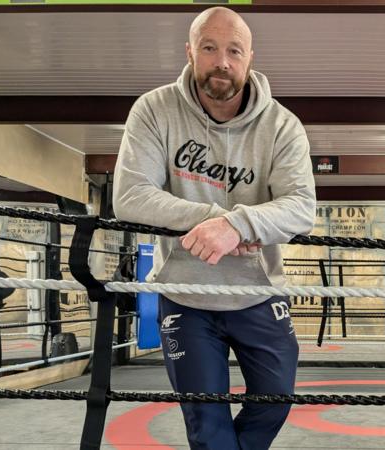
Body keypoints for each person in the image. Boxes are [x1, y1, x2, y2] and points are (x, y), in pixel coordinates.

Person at [113, 7, 315, 450]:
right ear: (189, 52)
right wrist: (214, 222)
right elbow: (130, 196)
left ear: (250, 58)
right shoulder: (155, 110)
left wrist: (237, 225)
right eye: (209, 48)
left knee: (276, 401)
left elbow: (301, 207)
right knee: (207, 424)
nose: (222, 61)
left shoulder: (281, 125)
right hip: (185, 295)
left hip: (259, 292)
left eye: (234, 51)